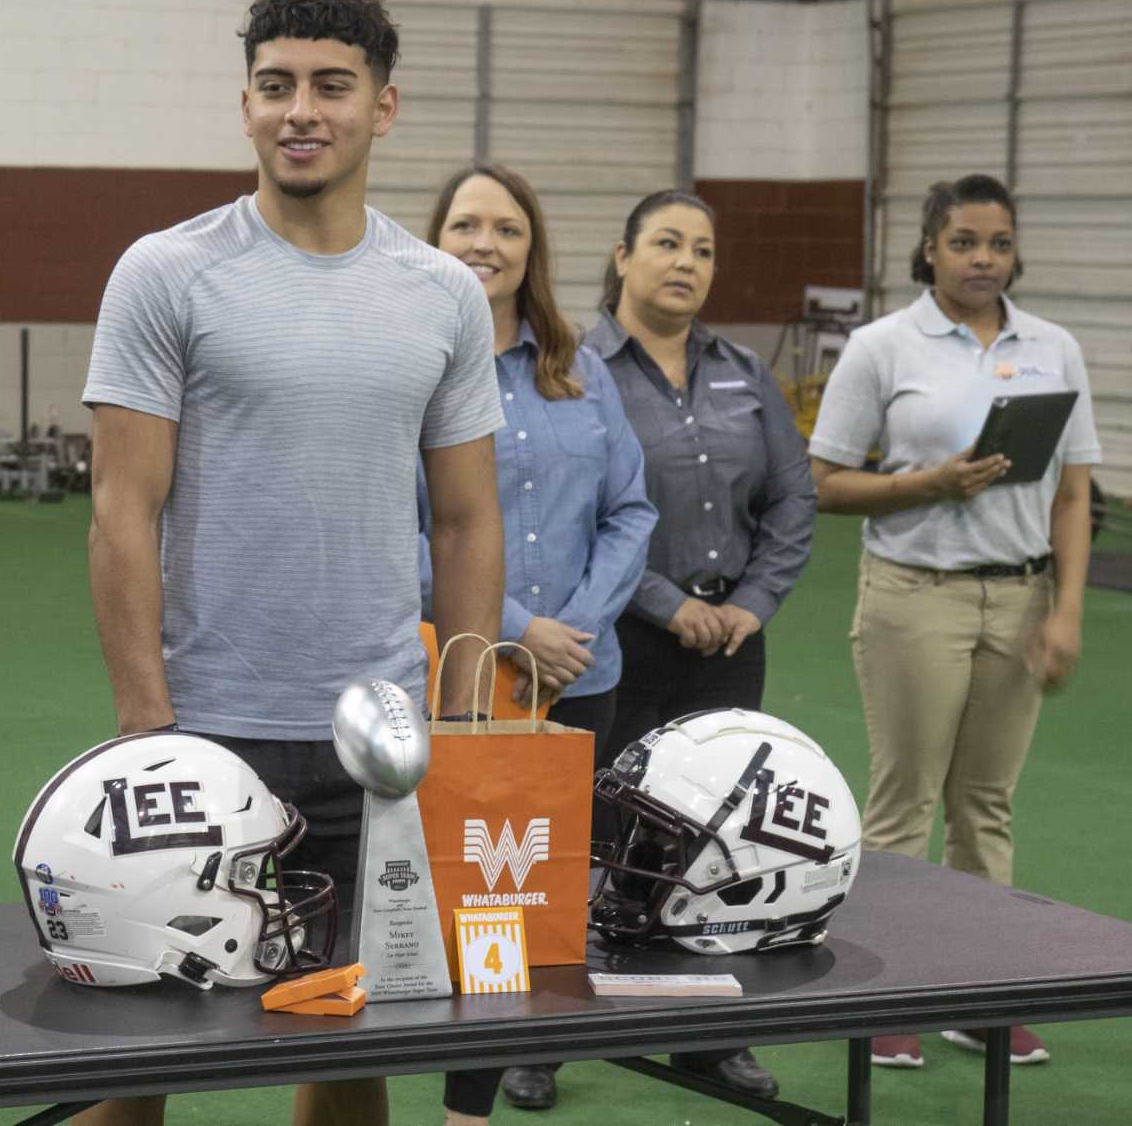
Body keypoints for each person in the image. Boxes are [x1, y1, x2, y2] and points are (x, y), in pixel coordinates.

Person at [83, 0, 505, 1126]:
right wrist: (144, 725)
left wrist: (460, 720)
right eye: (275, 86)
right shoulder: (165, 273)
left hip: (379, 741)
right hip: (202, 729)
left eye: (330, 85)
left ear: (383, 105)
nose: (299, 110)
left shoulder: (440, 295)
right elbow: (122, 509)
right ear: (245, 103)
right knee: (139, 1053)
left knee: (348, 1037)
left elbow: (466, 518)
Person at [500, 189, 816, 1111]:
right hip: (616, 641)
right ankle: (542, 1036)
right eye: (667, 244)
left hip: (730, 647)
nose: (686, 263)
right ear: (622, 256)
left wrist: (751, 603)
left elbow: (792, 500)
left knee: (713, 844)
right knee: (590, 838)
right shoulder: (576, 366)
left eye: (704, 250)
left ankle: (709, 1038)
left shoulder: (745, 372)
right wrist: (668, 604)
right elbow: (601, 512)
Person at [808, 174, 1099, 1070]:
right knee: (906, 803)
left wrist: (1065, 612)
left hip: (1017, 601)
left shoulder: (1054, 347)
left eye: (998, 243)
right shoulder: (880, 347)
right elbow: (822, 482)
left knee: (987, 806)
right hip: (913, 595)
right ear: (929, 248)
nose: (982, 259)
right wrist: (924, 485)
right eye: (964, 242)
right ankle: (889, 994)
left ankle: (983, 993)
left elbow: (1075, 491)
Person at [419, 165, 657, 1125]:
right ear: (432, 242)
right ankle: (462, 1104)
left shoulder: (581, 368)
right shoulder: (415, 364)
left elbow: (631, 510)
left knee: (556, 890)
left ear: (533, 250)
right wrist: (520, 628)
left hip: (580, 680)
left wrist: (577, 630)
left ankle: (535, 1052)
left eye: (507, 228)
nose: (485, 243)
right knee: (476, 894)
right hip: (469, 679)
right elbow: (403, 530)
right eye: (465, 225)